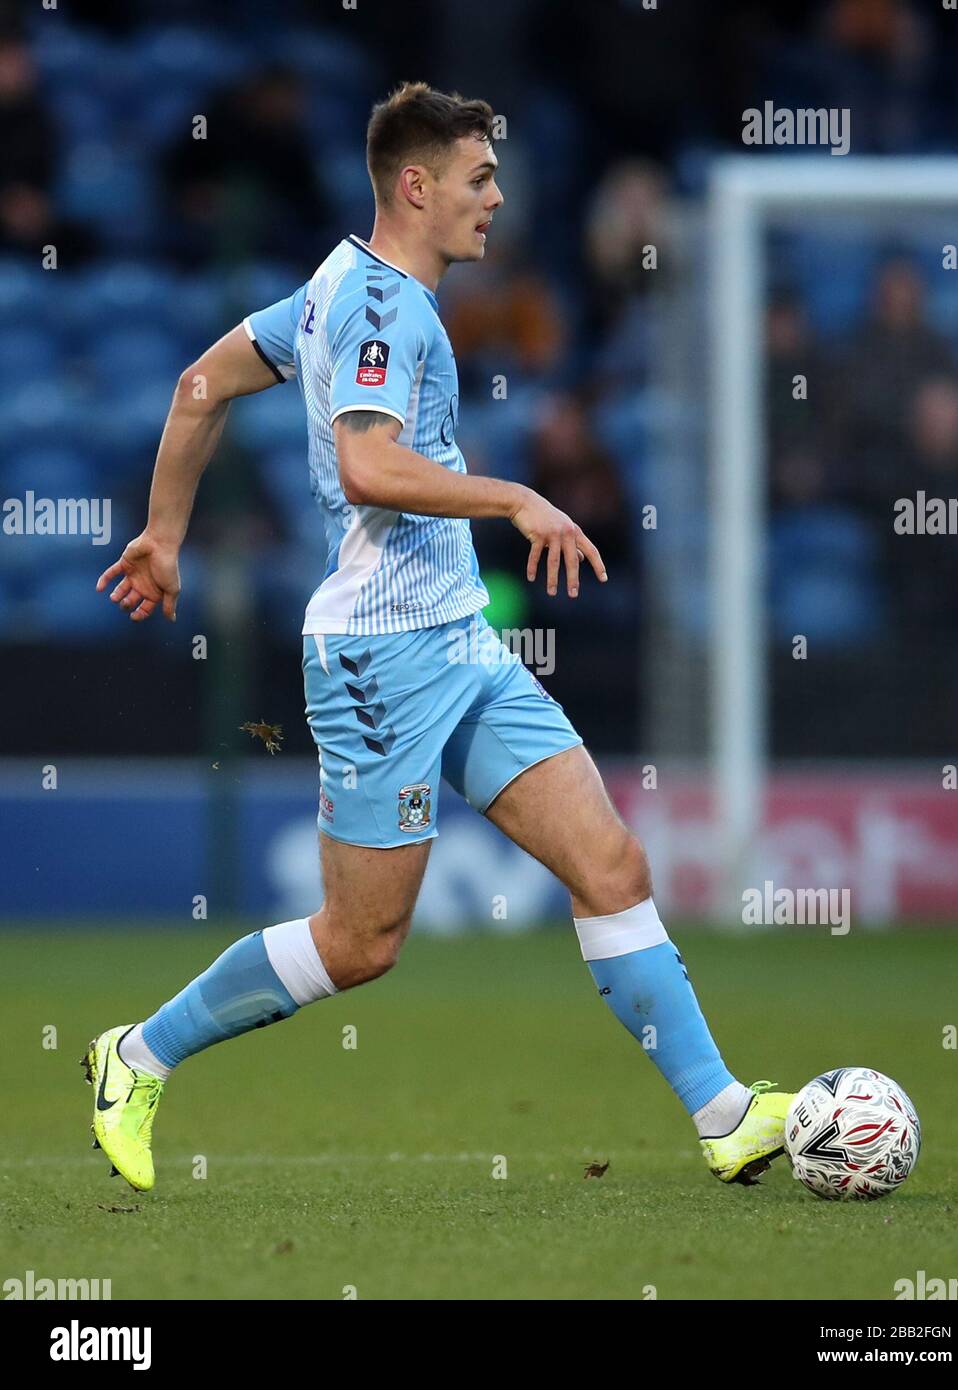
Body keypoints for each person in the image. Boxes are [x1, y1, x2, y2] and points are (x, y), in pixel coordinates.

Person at [89, 82, 790, 1193]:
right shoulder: (383, 310)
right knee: (362, 943)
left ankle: (726, 1115)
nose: (497, 199)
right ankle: (134, 1056)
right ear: (415, 186)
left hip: (457, 641)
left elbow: (198, 382)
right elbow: (367, 464)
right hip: (378, 660)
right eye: (479, 179)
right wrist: (515, 497)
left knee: (608, 860)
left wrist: (162, 535)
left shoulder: (332, 286)